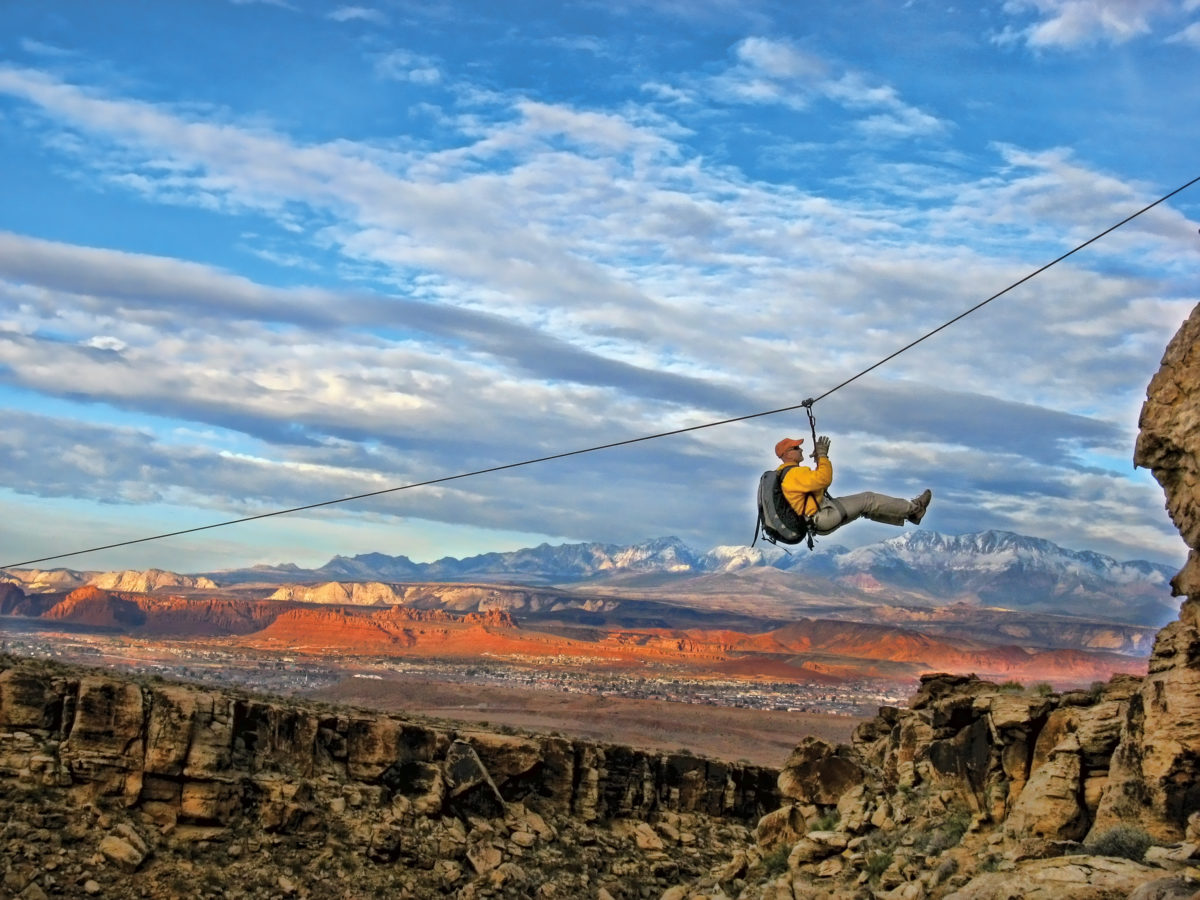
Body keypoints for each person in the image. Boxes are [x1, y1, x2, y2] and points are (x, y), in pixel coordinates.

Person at [773, 436, 931, 536]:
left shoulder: (785, 475)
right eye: (796, 448)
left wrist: (820, 462)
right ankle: (915, 510)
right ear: (788, 454)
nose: (800, 449)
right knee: (869, 499)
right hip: (822, 516)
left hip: (815, 521)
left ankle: (909, 514)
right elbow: (825, 479)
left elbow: (815, 486)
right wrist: (822, 456)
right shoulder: (794, 474)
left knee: (864, 508)